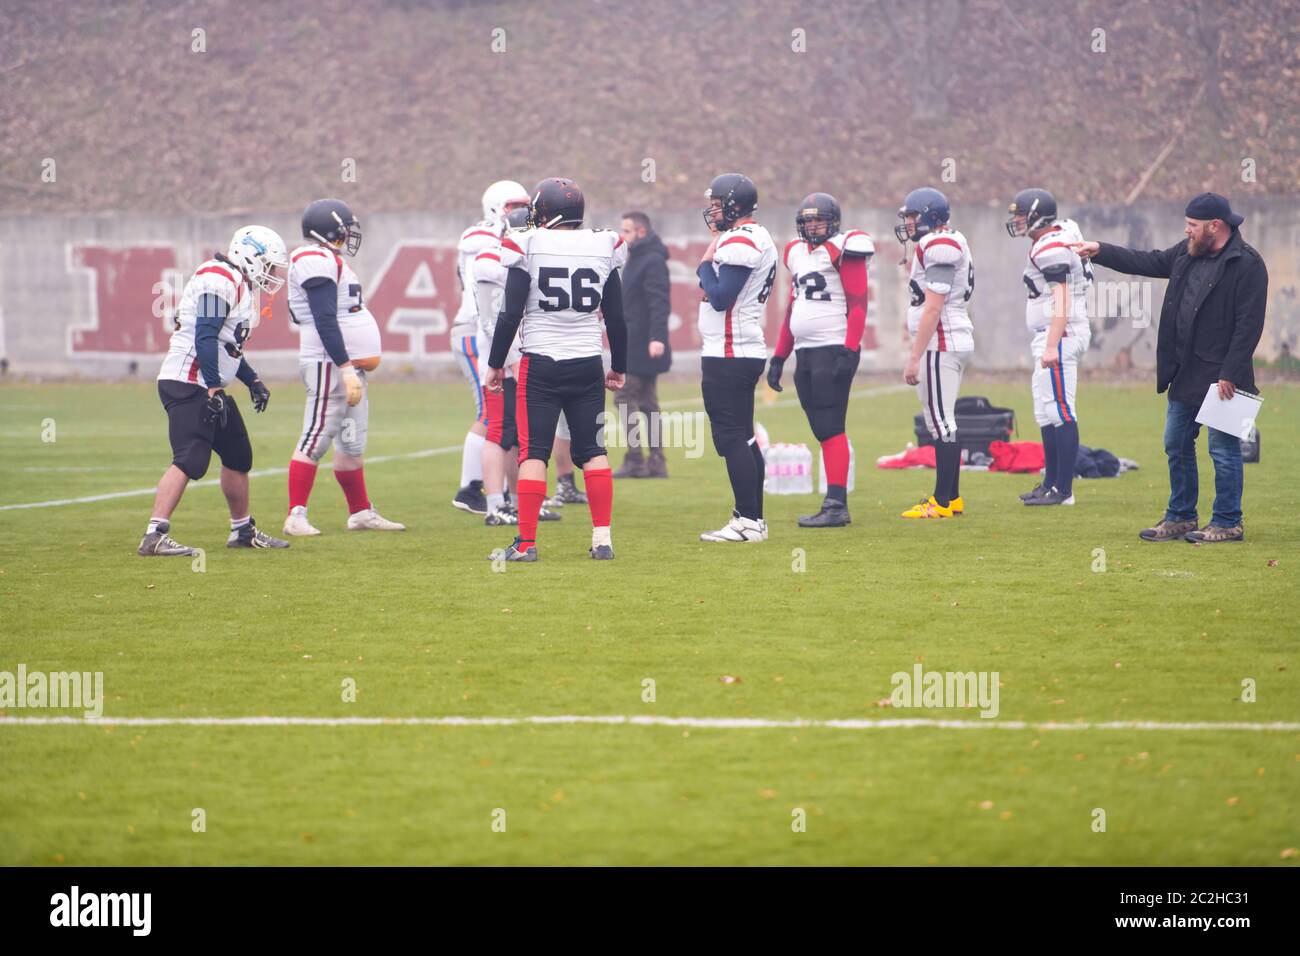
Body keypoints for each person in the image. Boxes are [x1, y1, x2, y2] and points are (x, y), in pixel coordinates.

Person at [1073, 192, 1268, 543]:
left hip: (1227, 377)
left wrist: (1230, 373)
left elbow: (1249, 326)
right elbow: (1147, 261)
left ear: (1215, 226)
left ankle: (1228, 522)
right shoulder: (1187, 252)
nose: (1187, 229)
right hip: (1186, 372)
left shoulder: (1248, 264)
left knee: (1223, 450)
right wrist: (1100, 250)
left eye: (1193, 224)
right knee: (1175, 443)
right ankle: (1181, 516)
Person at [485, 178, 628, 561]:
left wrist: (495, 364)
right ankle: (602, 540)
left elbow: (510, 314)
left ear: (544, 213)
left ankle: (526, 544)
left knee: (534, 453)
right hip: (587, 362)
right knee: (593, 450)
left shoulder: (528, 243)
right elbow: (616, 316)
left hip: (540, 363)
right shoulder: (604, 244)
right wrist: (618, 366)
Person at [139, 226, 291, 555]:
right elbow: (205, 336)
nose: (272, 273)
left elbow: (228, 347)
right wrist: (213, 388)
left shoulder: (238, 284)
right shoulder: (219, 277)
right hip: (188, 382)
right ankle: (154, 534)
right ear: (250, 256)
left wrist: (252, 380)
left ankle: (242, 531)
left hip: (203, 382)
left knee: (238, 454)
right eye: (268, 264)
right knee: (191, 457)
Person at [282, 199, 405, 536]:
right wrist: (345, 367)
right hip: (329, 364)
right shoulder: (313, 258)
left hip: (346, 365)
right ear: (329, 228)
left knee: (351, 444)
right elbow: (324, 318)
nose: (349, 233)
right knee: (316, 437)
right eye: (345, 227)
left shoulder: (330, 259)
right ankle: (295, 515)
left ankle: (360, 512)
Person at [768, 192, 873, 527]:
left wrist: (850, 349)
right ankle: (835, 502)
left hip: (833, 348)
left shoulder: (845, 248)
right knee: (821, 429)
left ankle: (836, 505)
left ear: (833, 222)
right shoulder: (795, 252)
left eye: (819, 220)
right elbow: (792, 307)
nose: (813, 226)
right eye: (808, 220)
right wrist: (779, 356)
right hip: (805, 352)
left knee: (831, 426)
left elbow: (858, 303)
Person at [696, 173, 777, 542]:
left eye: (717, 204)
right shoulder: (751, 236)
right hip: (739, 349)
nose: (713, 211)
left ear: (734, 205)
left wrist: (703, 265)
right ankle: (752, 518)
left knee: (730, 437)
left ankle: (748, 520)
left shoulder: (741, 240)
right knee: (743, 437)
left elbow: (720, 297)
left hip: (730, 351)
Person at [1006, 188, 1092, 507]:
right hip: (1053, 333)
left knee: (1060, 409)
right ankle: (1051, 483)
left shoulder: (1050, 247)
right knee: (1045, 410)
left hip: (1060, 333)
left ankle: (1064, 490)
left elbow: (1062, 298)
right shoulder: (1061, 233)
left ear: (1037, 216)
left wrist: (1053, 344)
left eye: (1021, 214)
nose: (1016, 220)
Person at [451, 180, 531, 515]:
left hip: (494, 332)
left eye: (524, 205)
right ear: (497, 207)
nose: (521, 212)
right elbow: (487, 303)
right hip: (478, 329)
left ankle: (507, 493)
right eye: (514, 206)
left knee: (504, 421)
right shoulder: (483, 238)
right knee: (490, 415)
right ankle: (471, 488)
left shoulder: (506, 237)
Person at [895, 187, 974, 520]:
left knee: (943, 422)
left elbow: (933, 307)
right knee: (940, 420)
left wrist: (914, 356)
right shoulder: (939, 241)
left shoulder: (940, 244)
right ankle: (951, 498)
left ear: (930, 216)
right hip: (945, 340)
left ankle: (941, 501)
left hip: (942, 341)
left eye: (913, 216)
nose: (908, 223)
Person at [613, 210, 672, 478]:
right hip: (636, 340)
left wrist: (657, 338)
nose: (622, 235)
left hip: (642, 343)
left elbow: (659, 301)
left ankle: (636, 459)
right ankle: (657, 462)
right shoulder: (636, 257)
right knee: (648, 402)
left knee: (623, 397)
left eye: (626, 231)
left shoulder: (652, 260)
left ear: (641, 232)